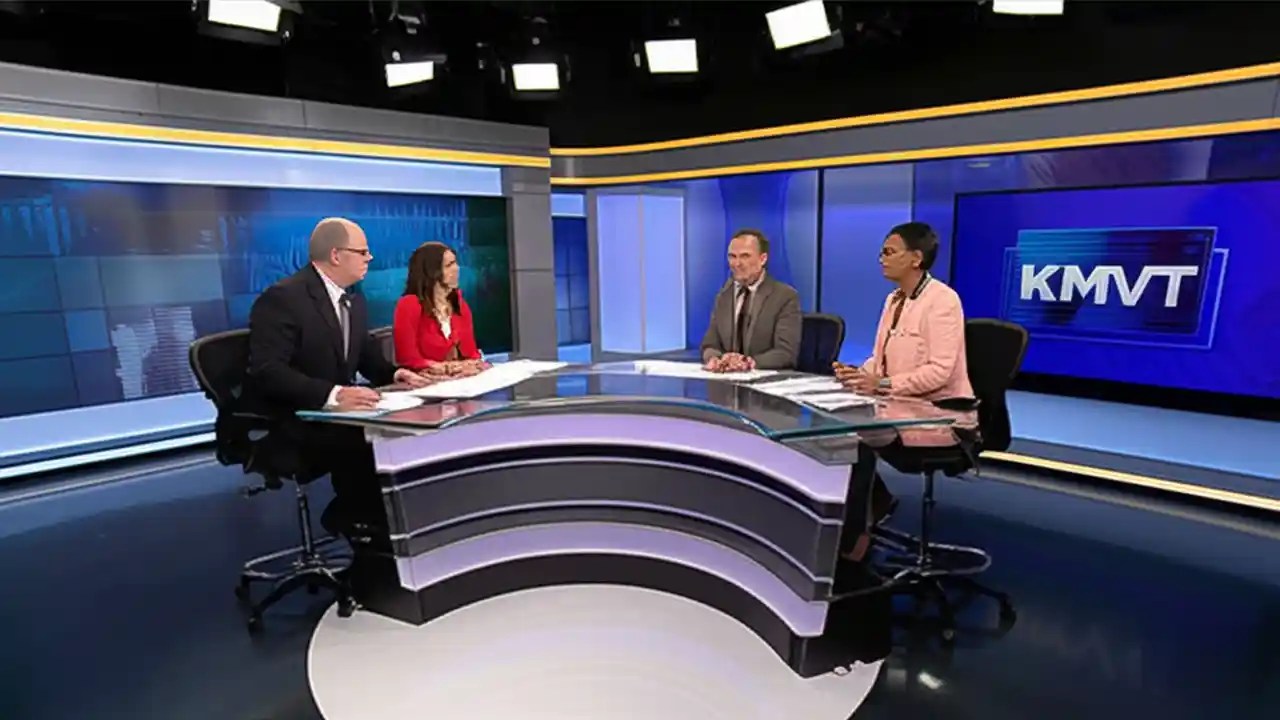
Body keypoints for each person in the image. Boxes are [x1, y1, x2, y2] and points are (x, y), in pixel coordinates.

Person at [242, 217, 430, 537]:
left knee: (405, 429)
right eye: (363, 252)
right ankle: (360, 524)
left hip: (337, 414)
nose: (369, 259)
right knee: (369, 441)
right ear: (336, 255)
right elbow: (267, 371)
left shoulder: (354, 299)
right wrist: (333, 395)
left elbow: (365, 353)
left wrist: (396, 373)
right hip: (294, 417)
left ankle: (383, 527)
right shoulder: (284, 299)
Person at [833, 221, 975, 560]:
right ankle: (864, 513)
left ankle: (853, 539)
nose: (881, 258)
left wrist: (881, 384)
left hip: (942, 415)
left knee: (855, 437)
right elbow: (881, 359)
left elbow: (940, 373)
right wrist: (857, 373)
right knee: (836, 428)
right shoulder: (893, 300)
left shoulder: (943, 301)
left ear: (916, 258)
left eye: (889, 252)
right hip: (898, 406)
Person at [700, 229, 802, 372]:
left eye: (745, 256)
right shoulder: (724, 295)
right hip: (727, 382)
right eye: (732, 256)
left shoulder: (785, 297)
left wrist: (747, 363)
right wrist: (716, 359)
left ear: (763, 259)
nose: (737, 263)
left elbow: (785, 353)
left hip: (765, 384)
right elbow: (709, 344)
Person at [393, 242, 487, 378]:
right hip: (425, 383)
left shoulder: (460, 305)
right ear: (432, 271)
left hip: (461, 383)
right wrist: (445, 368)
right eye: (449, 265)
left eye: (455, 263)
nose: (457, 269)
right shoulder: (409, 305)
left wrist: (473, 365)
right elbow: (408, 359)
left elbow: (472, 354)